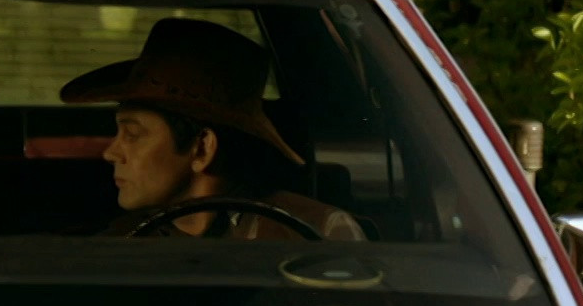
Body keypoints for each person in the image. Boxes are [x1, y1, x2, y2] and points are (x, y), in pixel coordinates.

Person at [60, 17, 366, 240]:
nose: (111, 153)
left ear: (203, 148)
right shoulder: (123, 243)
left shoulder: (315, 233)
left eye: (133, 135)